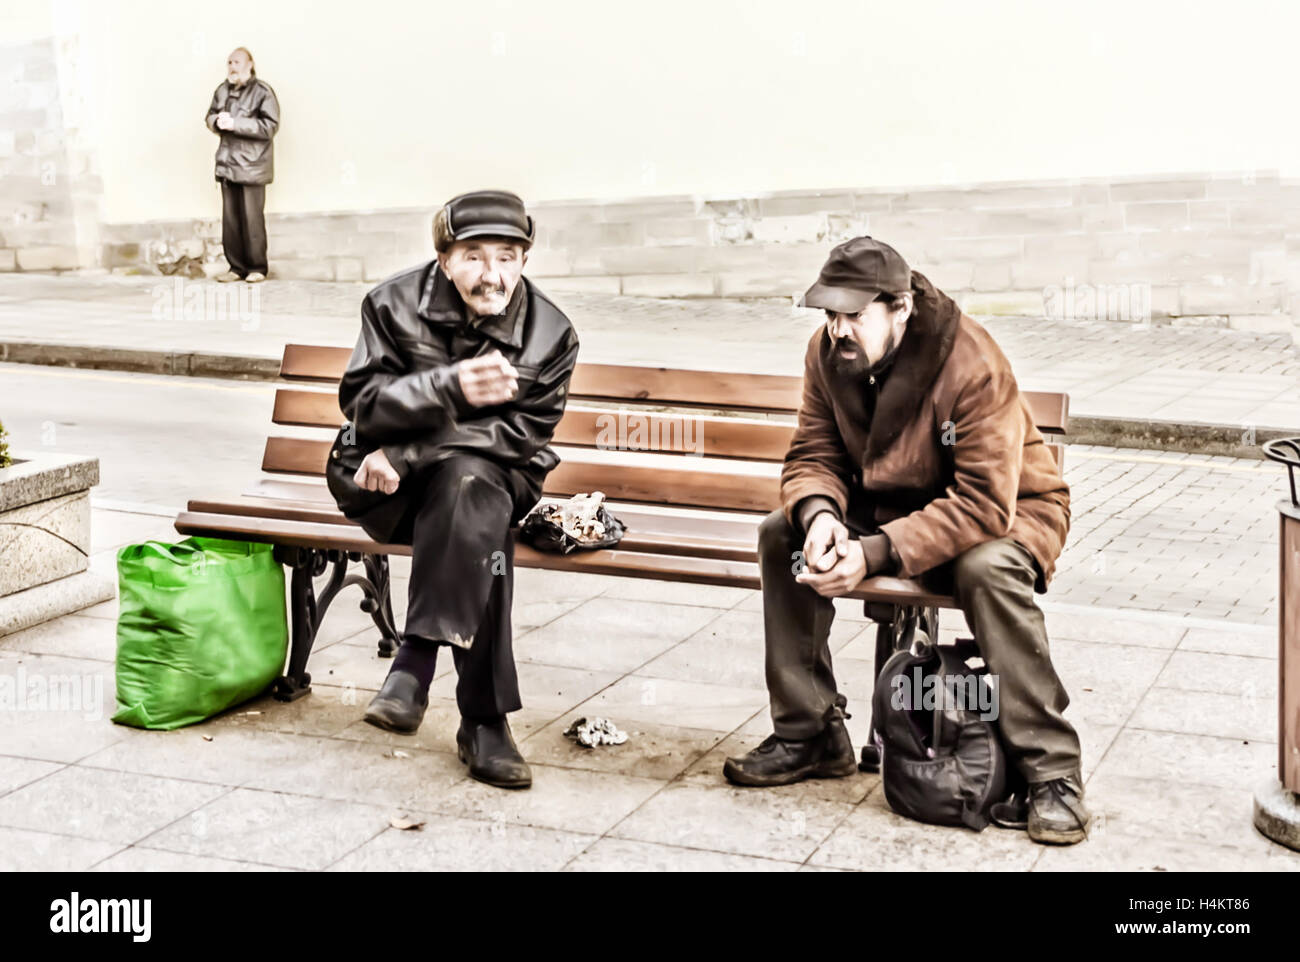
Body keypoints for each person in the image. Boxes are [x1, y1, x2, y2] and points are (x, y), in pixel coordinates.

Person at [722, 236, 1090, 845]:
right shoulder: (828, 353)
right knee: (778, 532)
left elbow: (982, 504)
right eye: (830, 313)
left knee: (987, 570)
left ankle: (1052, 771)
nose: (838, 329)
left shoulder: (972, 363)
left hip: (1008, 510)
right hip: (893, 505)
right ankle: (809, 731)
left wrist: (870, 551)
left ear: (901, 308)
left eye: (854, 315)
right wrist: (820, 518)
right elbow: (814, 451)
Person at [327, 190, 580, 790]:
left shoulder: (552, 333)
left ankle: (415, 660)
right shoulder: (391, 304)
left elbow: (519, 436)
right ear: (444, 259)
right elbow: (363, 407)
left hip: (487, 474)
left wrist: (412, 450)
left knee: (473, 491)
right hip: (384, 486)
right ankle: (484, 725)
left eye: (508, 256)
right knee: (475, 518)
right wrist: (450, 385)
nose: (492, 274)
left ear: (525, 258)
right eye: (473, 256)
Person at [205, 47, 279, 283]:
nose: (232, 67)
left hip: (252, 167)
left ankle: (257, 268)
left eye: (236, 62)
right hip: (228, 166)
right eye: (229, 62)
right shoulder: (222, 90)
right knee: (231, 222)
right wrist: (217, 121)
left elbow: (269, 126)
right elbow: (209, 116)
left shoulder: (262, 92)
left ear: (250, 64)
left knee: (252, 220)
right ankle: (236, 268)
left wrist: (236, 123)